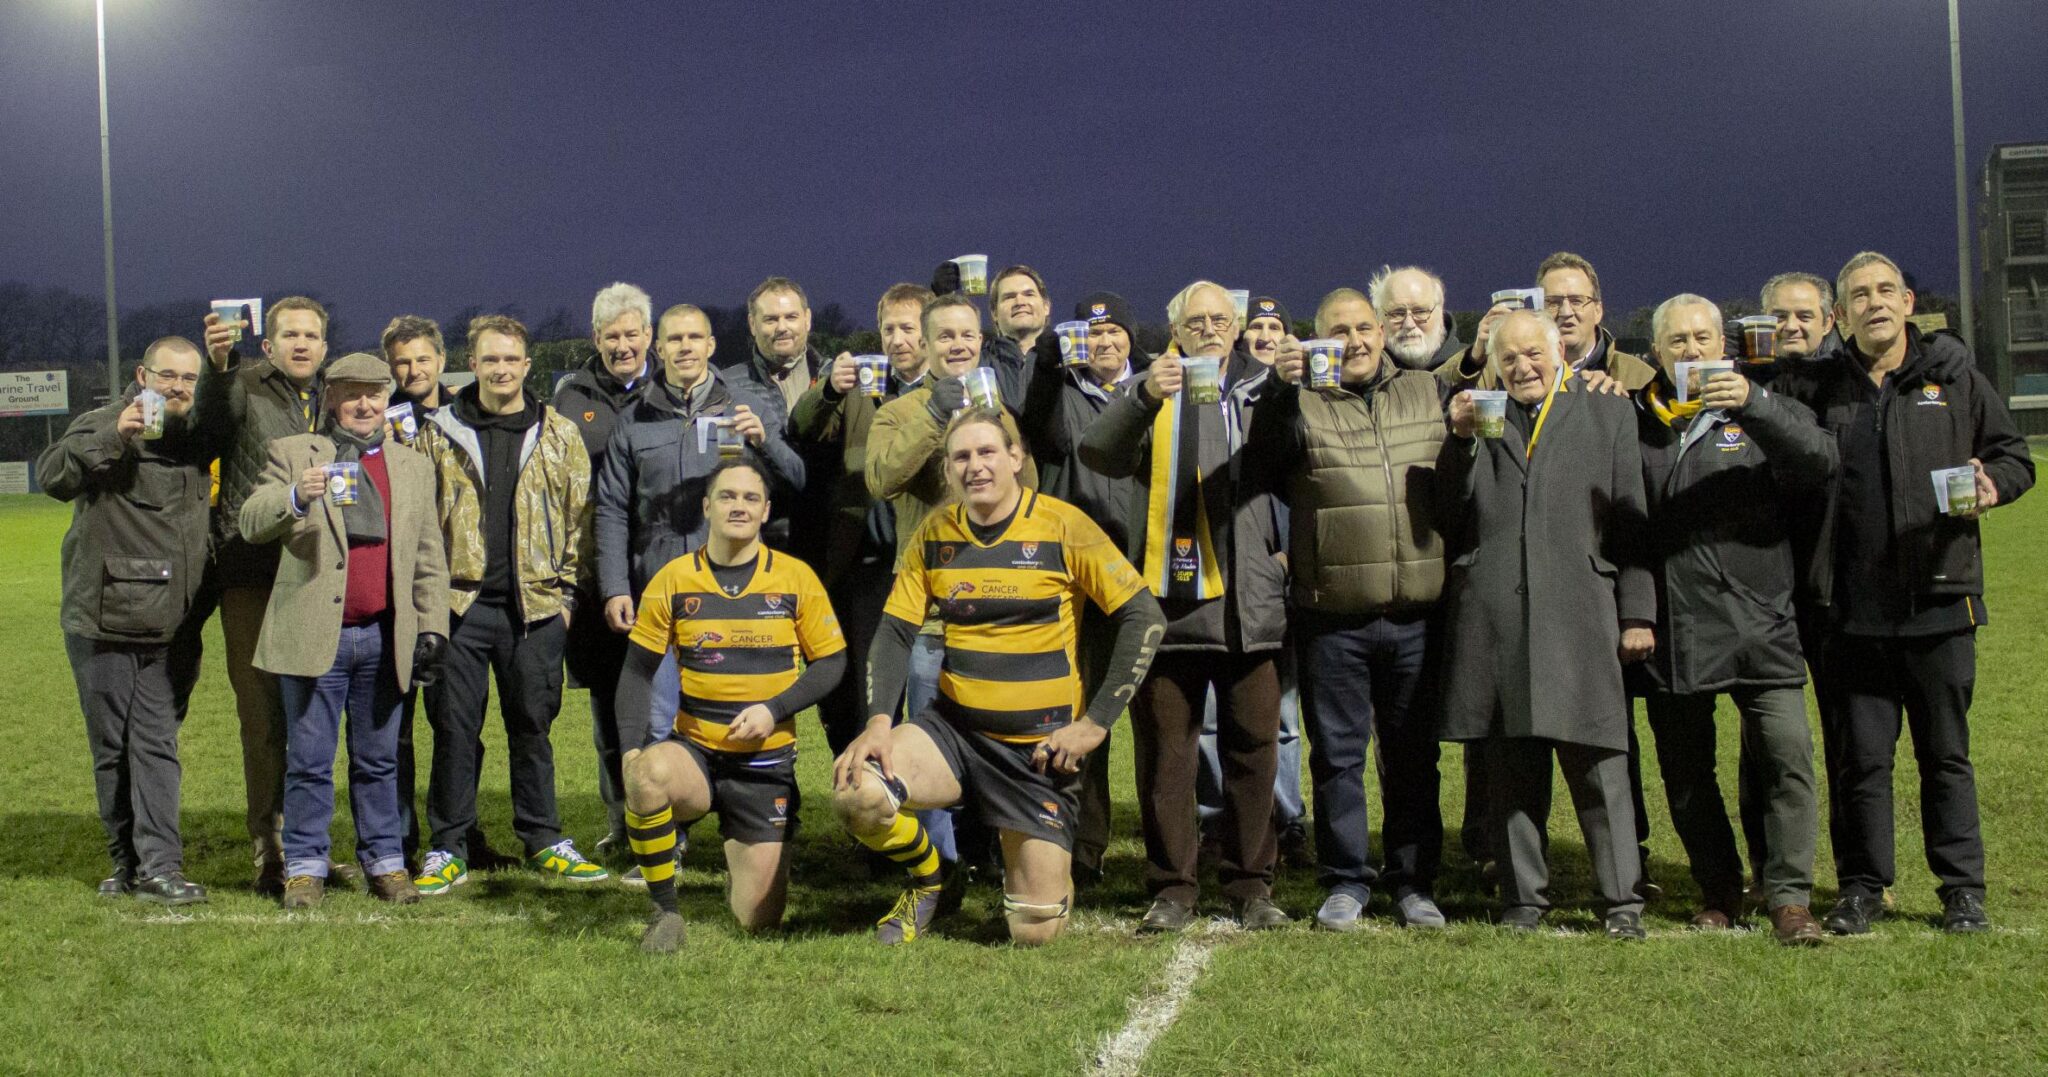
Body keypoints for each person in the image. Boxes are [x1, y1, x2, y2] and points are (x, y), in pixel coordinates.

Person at [1772, 252, 2034, 934]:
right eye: (1860, 294)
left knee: (1946, 756)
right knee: (1863, 761)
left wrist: (1992, 483)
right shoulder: (1821, 386)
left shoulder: (1951, 375)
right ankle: (1861, 887)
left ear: (1909, 301)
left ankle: (1961, 889)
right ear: (1842, 315)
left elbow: (2014, 456)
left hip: (1941, 603)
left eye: (1886, 290)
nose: (1875, 302)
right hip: (1852, 612)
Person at [831, 410, 1164, 946]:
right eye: (961, 456)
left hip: (1037, 751)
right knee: (858, 793)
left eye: (988, 452)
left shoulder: (1063, 525)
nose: (975, 466)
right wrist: (876, 725)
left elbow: (1144, 616)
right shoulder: (935, 533)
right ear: (947, 470)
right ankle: (932, 877)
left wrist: (1096, 724)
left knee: (1036, 931)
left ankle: (1025, 860)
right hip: (954, 733)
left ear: (1016, 459)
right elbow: (894, 633)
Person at [1079, 280, 1290, 933]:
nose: (1207, 328)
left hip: (1244, 600)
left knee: (1255, 745)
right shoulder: (1149, 389)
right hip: (1165, 603)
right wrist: (1144, 395)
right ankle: (1173, 884)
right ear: (1175, 328)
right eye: (1194, 319)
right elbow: (1099, 452)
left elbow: (1295, 461)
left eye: (1218, 319)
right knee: (1167, 750)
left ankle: (1252, 884)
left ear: (1236, 326)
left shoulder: (1258, 390)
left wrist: (1287, 389)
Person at [1438, 308, 1653, 939]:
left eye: (1534, 354)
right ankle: (1523, 901)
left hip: (1583, 609)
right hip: (1498, 612)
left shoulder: (1606, 409)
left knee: (1600, 762)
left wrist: (1638, 611)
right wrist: (1458, 442)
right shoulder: (1478, 412)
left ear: (1560, 349)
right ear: (1495, 364)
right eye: (1510, 359)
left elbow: (1631, 515)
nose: (1523, 366)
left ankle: (1622, 904)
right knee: (1509, 765)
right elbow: (1449, 513)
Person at [1629, 294, 1835, 945]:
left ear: (1724, 343)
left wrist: (1756, 403)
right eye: (1677, 340)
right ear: (1656, 353)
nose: (1691, 350)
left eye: (1702, 337)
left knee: (1788, 753)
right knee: (1687, 774)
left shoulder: (1755, 406)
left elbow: (1821, 460)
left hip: (1762, 621)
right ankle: (1717, 887)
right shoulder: (1637, 419)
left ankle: (1788, 894)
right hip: (1675, 625)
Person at [1249, 288, 1450, 931]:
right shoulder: (1300, 399)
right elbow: (1261, 465)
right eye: (1340, 330)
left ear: (1385, 332)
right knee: (1337, 755)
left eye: (1367, 327)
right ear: (1317, 338)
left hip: (1418, 609)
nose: (1357, 340)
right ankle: (1345, 880)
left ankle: (1414, 881)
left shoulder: (1428, 391)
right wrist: (1280, 390)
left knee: (1413, 756)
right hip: (1333, 612)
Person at [239, 353, 448, 908]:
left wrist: (432, 627)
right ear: (331, 399)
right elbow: (251, 520)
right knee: (308, 760)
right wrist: (293, 496)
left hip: (384, 636)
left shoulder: (413, 466)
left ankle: (384, 861)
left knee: (378, 760)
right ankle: (304, 866)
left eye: (373, 394)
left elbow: (428, 557)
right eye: (351, 393)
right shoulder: (294, 454)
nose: (363, 404)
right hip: (315, 638)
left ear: (387, 400)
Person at [613, 459, 848, 952]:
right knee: (646, 775)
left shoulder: (795, 577)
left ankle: (750, 848)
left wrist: (775, 708)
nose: (738, 506)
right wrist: (631, 750)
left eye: (749, 498)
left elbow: (832, 662)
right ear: (706, 507)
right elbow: (636, 671)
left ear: (765, 512)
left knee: (757, 920)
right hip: (696, 754)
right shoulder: (674, 579)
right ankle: (665, 911)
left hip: (764, 766)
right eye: (726, 496)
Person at [412, 315, 607, 894]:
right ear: (471, 364)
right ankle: (447, 845)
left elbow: (582, 519)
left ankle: (544, 837)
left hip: (537, 610)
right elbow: (421, 522)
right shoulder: (437, 431)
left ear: (526, 365)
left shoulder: (559, 433)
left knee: (532, 728)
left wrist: (567, 596)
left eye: (510, 359)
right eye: (489, 359)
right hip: (458, 607)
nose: (500, 369)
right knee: (453, 729)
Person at [865, 293, 1040, 871]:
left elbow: (1031, 490)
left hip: (1001, 611)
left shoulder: (999, 410)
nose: (958, 346)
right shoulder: (899, 410)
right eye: (945, 337)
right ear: (923, 343)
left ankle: (992, 852)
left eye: (968, 336)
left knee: (994, 739)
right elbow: (881, 479)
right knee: (929, 739)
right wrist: (936, 415)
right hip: (932, 616)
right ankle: (935, 866)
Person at [44, 337, 216, 905]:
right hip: (104, 621)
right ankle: (133, 865)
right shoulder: (104, 421)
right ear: (143, 374)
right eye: (168, 376)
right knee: (114, 749)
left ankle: (156, 865)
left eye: (189, 379)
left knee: (155, 744)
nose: (178, 388)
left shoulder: (196, 435)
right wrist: (116, 433)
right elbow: (53, 475)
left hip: (173, 623)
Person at [193, 295, 332, 894]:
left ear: (324, 345)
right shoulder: (243, 384)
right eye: (290, 335)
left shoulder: (333, 396)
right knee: (262, 716)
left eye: (312, 335)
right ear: (269, 345)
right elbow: (212, 421)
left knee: (314, 718)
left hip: (315, 572)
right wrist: (219, 366)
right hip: (251, 573)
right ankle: (268, 845)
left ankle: (308, 842)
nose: (302, 344)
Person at [1014, 290, 1146, 883]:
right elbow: (1034, 422)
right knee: (1086, 711)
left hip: (1152, 570)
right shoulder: (1062, 394)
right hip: (1082, 579)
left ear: (1131, 339)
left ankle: (1194, 836)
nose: (1105, 343)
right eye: (1094, 335)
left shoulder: (1156, 390)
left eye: (1115, 332)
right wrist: (1046, 361)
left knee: (1169, 721)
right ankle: (1087, 842)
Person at [790, 283, 935, 755]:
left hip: (925, 558)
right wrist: (830, 388)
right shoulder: (861, 390)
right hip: (868, 563)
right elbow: (802, 427)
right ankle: (866, 795)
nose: (897, 340)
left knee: (930, 685)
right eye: (888, 329)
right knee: (868, 692)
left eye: (908, 328)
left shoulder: (945, 392)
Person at [553, 282, 655, 863]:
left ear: (649, 334)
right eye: (611, 335)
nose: (622, 345)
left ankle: (674, 823)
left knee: (669, 708)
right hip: (598, 583)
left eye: (631, 333)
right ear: (596, 338)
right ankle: (622, 822)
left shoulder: (674, 389)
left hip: (663, 575)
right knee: (610, 716)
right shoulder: (571, 397)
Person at [1231, 295, 1309, 869]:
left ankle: (1291, 817)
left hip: (1295, 563)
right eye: (1255, 326)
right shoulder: (1227, 392)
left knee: (1285, 711)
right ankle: (1225, 822)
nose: (1264, 335)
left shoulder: (1307, 389)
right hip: (1248, 569)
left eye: (1275, 327)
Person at [1437, 252, 1655, 392]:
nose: (1566, 312)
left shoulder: (1636, 375)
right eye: (1554, 302)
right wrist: (1475, 357)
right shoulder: (1507, 368)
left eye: (1577, 301)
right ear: (1539, 308)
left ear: (1598, 310)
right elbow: (1434, 393)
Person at [1370, 266, 1466, 371]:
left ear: (1440, 314)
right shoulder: (1365, 374)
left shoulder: (1473, 366)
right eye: (1397, 313)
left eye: (1420, 312)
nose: (1409, 324)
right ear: (1378, 318)